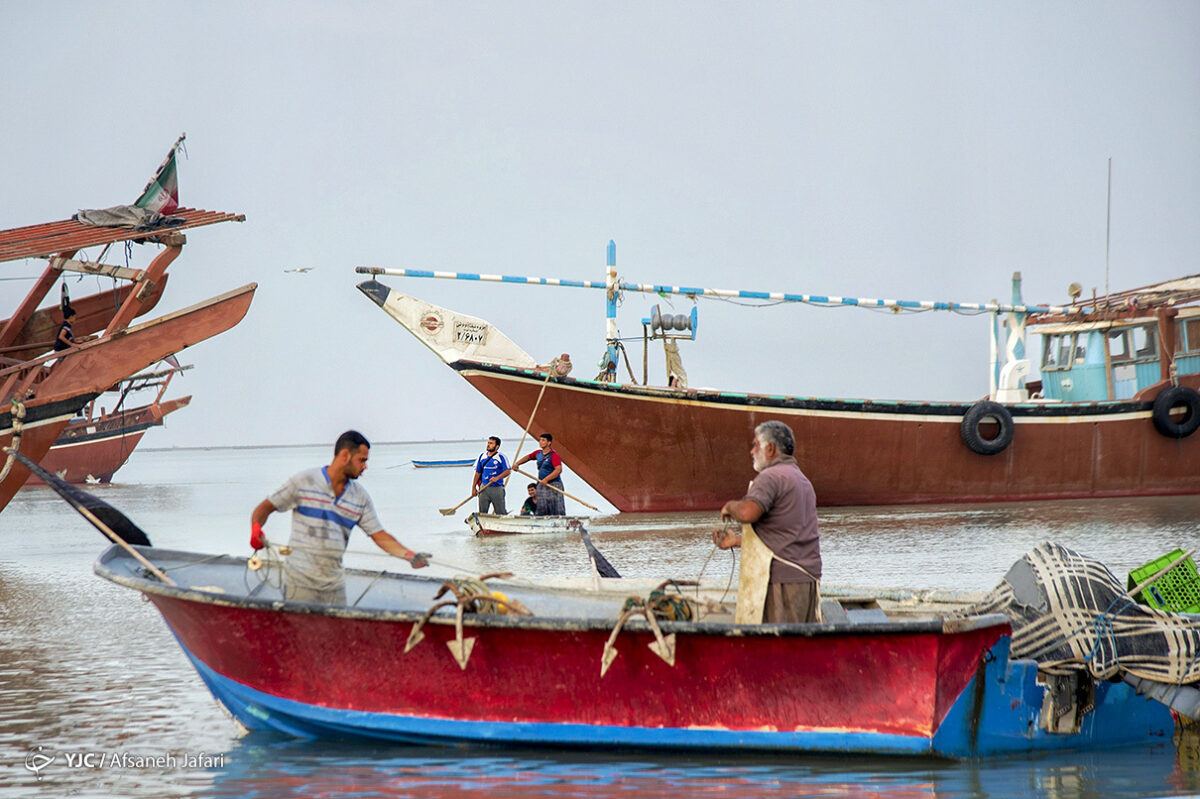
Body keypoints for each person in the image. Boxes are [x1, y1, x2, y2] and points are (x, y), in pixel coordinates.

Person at [250, 430, 430, 604]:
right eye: (362, 460)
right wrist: (256, 529)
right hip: (299, 583)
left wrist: (409, 555)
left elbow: (379, 535)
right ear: (345, 455)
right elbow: (264, 509)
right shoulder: (303, 481)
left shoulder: (360, 497)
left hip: (334, 586)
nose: (365, 466)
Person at [712, 420, 822, 624]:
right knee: (798, 648)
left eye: (756, 445)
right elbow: (785, 535)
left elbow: (748, 513)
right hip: (807, 580)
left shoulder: (771, 477)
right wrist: (735, 541)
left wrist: (729, 507)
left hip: (781, 583)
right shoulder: (802, 480)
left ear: (770, 448)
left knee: (778, 647)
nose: (752, 451)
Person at [513, 433, 564, 516]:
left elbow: (558, 470)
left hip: (554, 484)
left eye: (543, 440)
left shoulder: (554, 456)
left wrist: (547, 479)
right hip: (541, 483)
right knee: (541, 505)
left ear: (549, 443)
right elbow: (528, 457)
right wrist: (517, 463)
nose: (540, 442)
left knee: (556, 506)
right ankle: (541, 522)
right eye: (540, 440)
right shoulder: (538, 453)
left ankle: (559, 522)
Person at [471, 436, 511, 514]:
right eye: (488, 443)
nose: (488, 445)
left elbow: (508, 471)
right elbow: (477, 473)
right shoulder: (482, 456)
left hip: (497, 488)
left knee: (500, 512)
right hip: (484, 488)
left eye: (491, 443)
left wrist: (497, 478)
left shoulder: (501, 457)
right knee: (482, 513)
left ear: (497, 447)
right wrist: (473, 488)